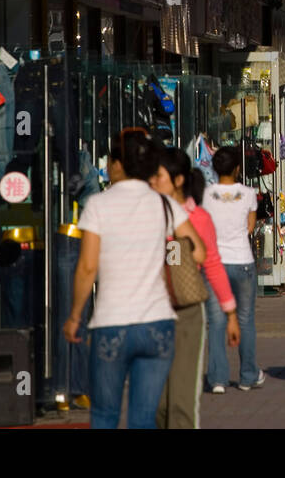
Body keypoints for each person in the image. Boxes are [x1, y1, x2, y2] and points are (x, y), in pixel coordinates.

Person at [64, 129, 206, 429]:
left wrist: (75, 315)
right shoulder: (164, 205)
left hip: (111, 324)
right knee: (143, 418)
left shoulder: (98, 205)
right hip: (158, 324)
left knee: (105, 415)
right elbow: (199, 252)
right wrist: (163, 256)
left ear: (117, 164)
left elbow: (88, 267)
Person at [151, 148, 240, 429]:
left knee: (180, 397)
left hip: (186, 311)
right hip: (148, 312)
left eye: (158, 175)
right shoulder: (146, 214)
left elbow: (211, 263)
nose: (152, 181)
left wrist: (230, 313)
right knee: (155, 400)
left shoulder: (197, 218)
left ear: (177, 180)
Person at [200, 146, 265, 392]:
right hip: (243, 261)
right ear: (237, 168)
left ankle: (217, 378)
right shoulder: (248, 193)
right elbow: (250, 227)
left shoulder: (206, 195)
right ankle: (248, 375)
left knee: (216, 321)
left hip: (214, 263)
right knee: (246, 320)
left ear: (214, 169)